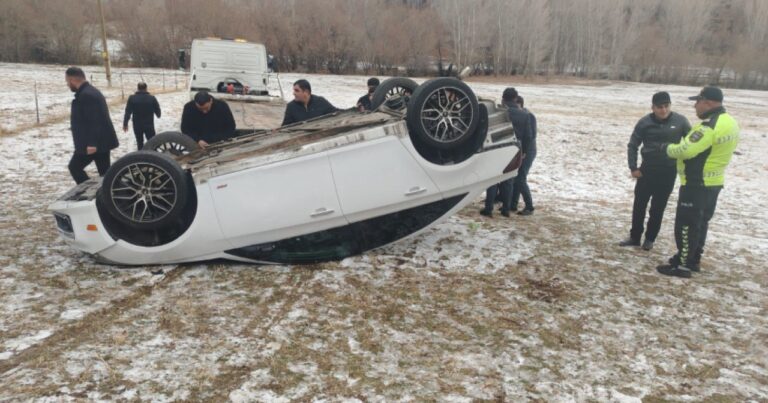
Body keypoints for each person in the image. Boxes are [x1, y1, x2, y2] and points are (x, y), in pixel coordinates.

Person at [656, 86, 739, 278]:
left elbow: (686, 150)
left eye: (697, 102)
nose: (695, 106)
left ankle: (683, 266)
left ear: (707, 102)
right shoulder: (730, 122)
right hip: (714, 182)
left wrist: (667, 148)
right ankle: (692, 259)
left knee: (686, 225)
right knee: (700, 224)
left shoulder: (708, 127)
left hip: (696, 183)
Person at [619, 91, 691, 251]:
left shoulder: (681, 122)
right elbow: (633, 145)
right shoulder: (644, 123)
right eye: (660, 107)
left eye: (666, 106)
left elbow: (691, 144)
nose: (663, 110)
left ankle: (650, 239)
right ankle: (635, 237)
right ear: (653, 107)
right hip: (647, 171)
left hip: (668, 171)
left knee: (658, 208)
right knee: (639, 206)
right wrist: (633, 167)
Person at [480, 87, 533, 217]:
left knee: (493, 178)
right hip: (514, 149)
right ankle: (505, 209)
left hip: (496, 147)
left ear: (503, 98)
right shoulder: (525, 115)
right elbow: (529, 136)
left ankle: (488, 209)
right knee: (508, 180)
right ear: (516, 98)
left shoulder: (497, 111)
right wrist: (524, 151)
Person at [65, 66, 118, 184]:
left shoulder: (87, 95)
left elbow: (96, 120)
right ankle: (108, 194)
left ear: (72, 80)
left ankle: (89, 191)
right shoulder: (90, 91)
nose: (68, 85)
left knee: (75, 167)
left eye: (67, 82)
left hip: (93, 144)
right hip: (101, 141)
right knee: (105, 174)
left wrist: (92, 144)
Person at [510, 95, 537, 216]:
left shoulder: (528, 116)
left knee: (520, 178)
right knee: (516, 176)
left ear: (520, 104)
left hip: (528, 151)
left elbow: (531, 136)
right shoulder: (519, 115)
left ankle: (529, 207)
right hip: (521, 149)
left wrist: (524, 151)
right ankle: (513, 204)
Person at [123, 82, 161, 150]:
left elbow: (127, 112)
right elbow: (158, 112)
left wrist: (125, 124)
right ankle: (153, 157)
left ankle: (141, 157)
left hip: (137, 125)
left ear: (137, 88)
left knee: (140, 142)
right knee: (152, 142)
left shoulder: (132, 98)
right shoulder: (152, 98)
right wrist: (158, 114)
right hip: (149, 125)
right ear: (146, 88)